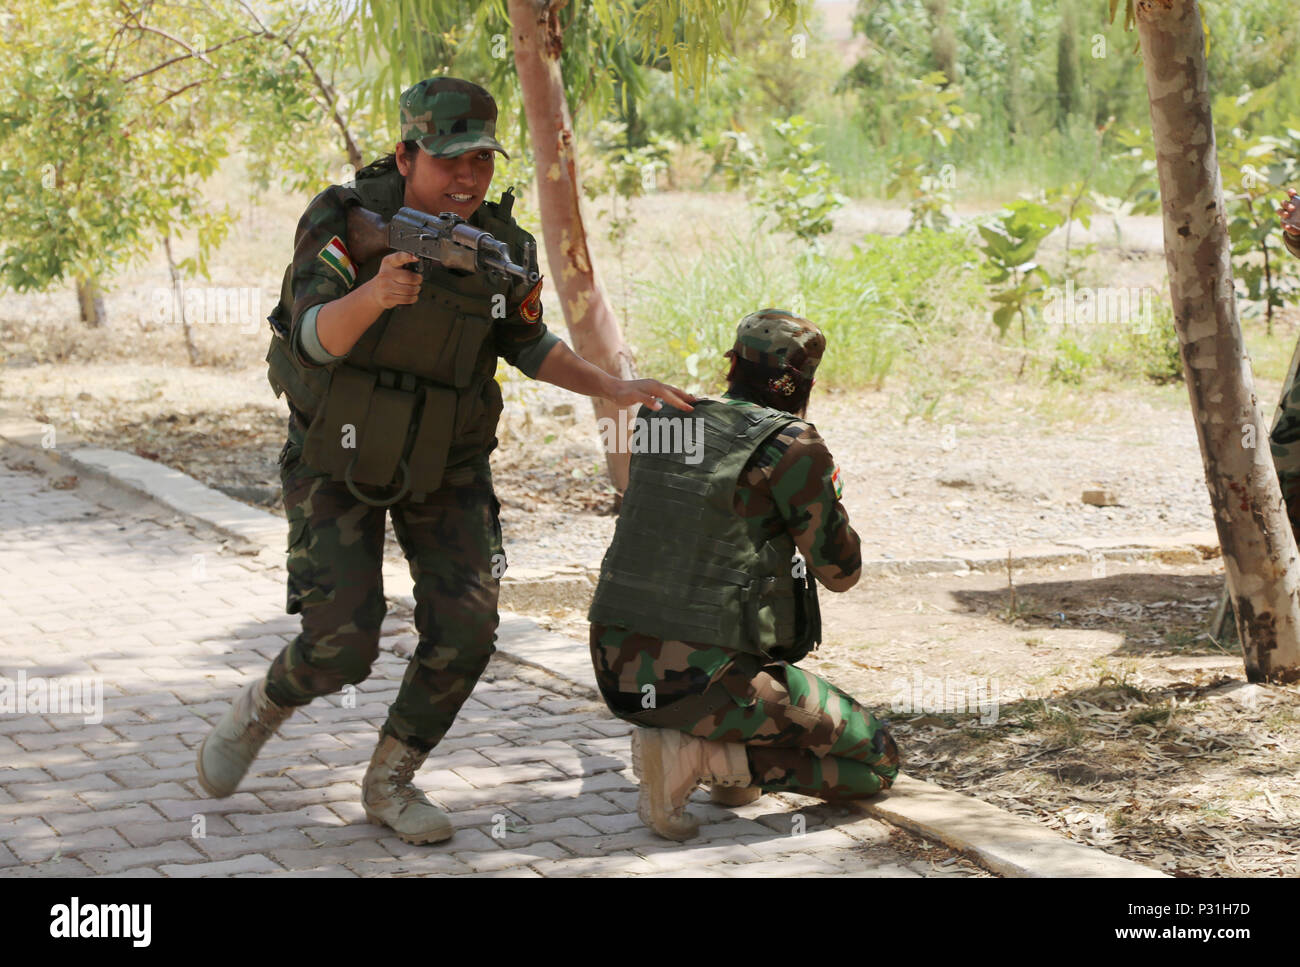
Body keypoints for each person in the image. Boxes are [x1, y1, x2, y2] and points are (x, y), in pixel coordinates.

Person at [196, 77, 693, 845]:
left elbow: (527, 344)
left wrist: (616, 387)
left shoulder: (503, 249)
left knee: (467, 626)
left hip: (446, 458)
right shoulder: (343, 220)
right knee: (342, 646)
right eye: (448, 159)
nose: (466, 178)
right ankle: (266, 704)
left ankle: (391, 778)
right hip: (339, 450)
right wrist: (378, 295)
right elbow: (310, 338)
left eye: (481, 163)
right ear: (406, 152)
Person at [586, 309, 900, 841]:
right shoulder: (792, 445)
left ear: (731, 364)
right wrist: (823, 491)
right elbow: (840, 572)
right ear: (806, 383)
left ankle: (714, 755)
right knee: (879, 759)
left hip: (614, 667)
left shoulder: (664, 418)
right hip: (704, 680)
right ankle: (706, 761)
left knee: (760, 673)